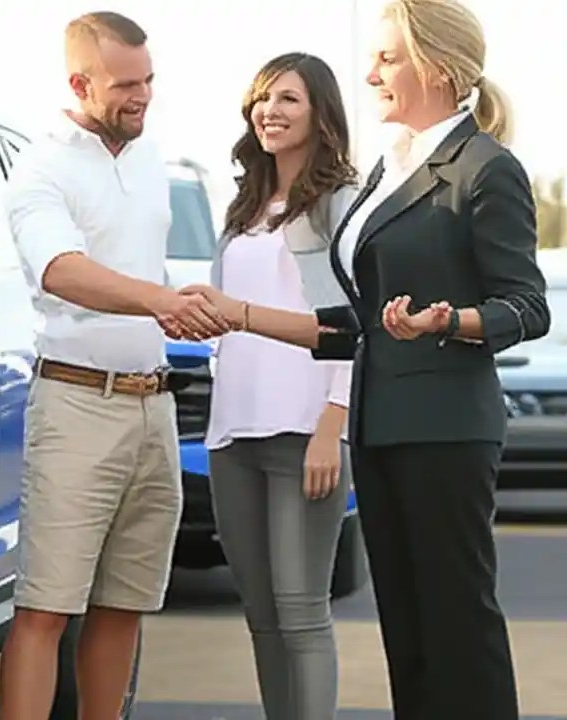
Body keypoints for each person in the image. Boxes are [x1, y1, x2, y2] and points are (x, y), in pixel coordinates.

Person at [173, 1, 550, 718]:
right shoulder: (387, 171)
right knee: (407, 632)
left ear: (436, 67)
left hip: (444, 429)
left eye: (387, 58)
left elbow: (528, 306)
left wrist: (454, 320)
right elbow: (354, 326)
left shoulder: (483, 168)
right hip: (380, 430)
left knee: (457, 627)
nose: (370, 71)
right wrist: (241, 316)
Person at [0, 10, 232, 720]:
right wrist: (160, 302)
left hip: (152, 407)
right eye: (126, 84)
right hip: (76, 407)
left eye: (150, 80)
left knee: (126, 604)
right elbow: (63, 271)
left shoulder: (151, 156)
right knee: (46, 607)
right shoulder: (41, 167)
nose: (143, 95)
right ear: (79, 82)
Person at [203, 52, 359, 720]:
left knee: (302, 615)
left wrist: (333, 423)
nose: (271, 110)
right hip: (233, 433)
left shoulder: (338, 205)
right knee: (263, 618)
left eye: (289, 99)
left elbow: (350, 325)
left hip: (305, 432)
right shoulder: (244, 207)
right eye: (264, 98)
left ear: (321, 113)